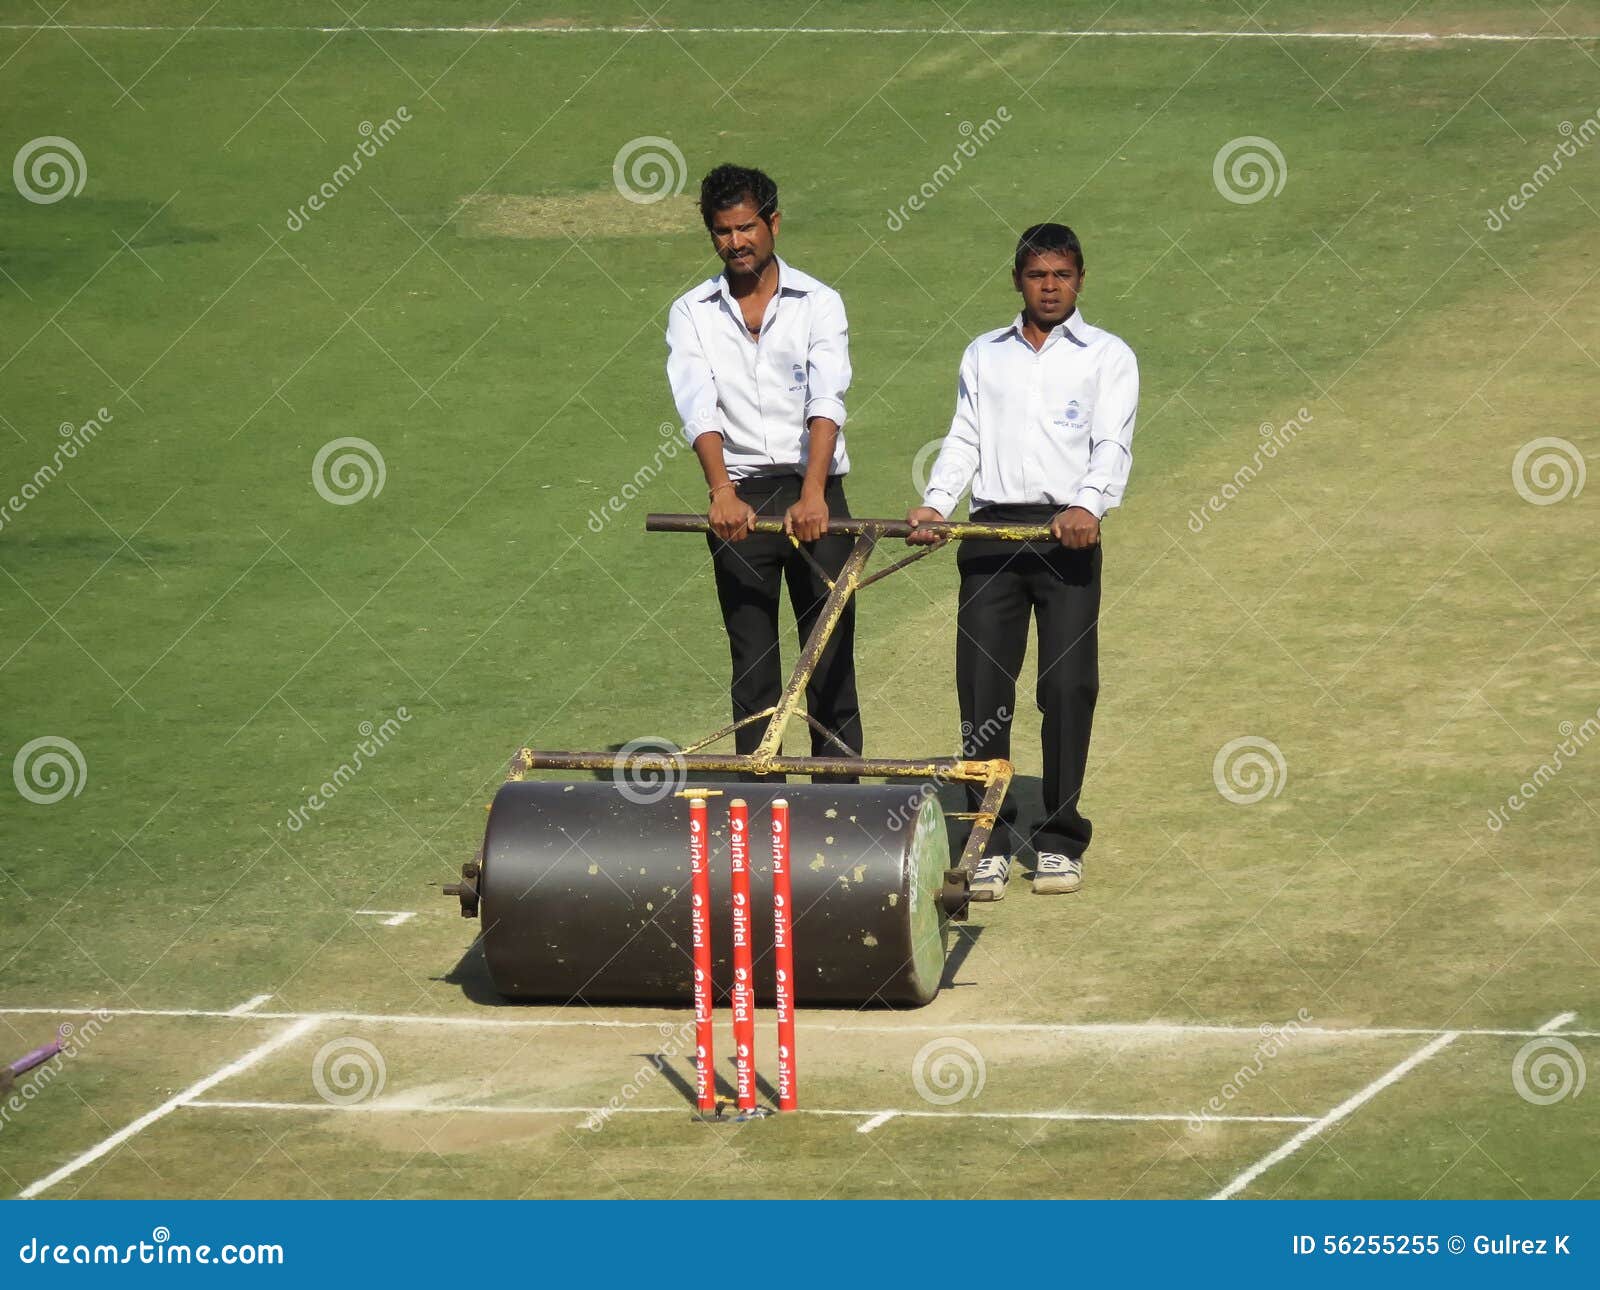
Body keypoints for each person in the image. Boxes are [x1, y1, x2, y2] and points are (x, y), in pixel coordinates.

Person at [907, 222, 1138, 898]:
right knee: (983, 690)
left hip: (1069, 536)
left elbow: (1112, 445)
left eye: (1062, 275)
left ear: (1080, 279)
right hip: (991, 536)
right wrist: (934, 504)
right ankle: (990, 837)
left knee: (1068, 689)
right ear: (1017, 279)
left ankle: (1061, 838)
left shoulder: (1108, 356)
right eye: (1037, 275)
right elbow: (963, 438)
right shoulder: (985, 353)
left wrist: (1089, 507)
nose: (1049, 287)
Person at [665, 164, 862, 780]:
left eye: (746, 227)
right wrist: (720, 492)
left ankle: (843, 813)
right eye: (722, 232)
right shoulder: (691, 311)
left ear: (773, 223)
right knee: (754, 667)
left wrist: (811, 495)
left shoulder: (819, 303)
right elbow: (696, 403)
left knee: (829, 663)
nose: (735, 242)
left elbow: (826, 399)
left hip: (817, 495)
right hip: (741, 502)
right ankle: (759, 811)